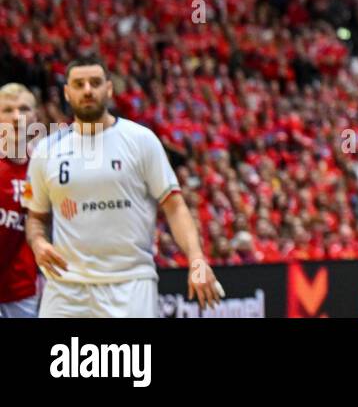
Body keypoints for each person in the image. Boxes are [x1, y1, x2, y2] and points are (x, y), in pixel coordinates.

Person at [23, 58, 223, 317]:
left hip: (130, 285)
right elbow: (35, 218)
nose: (87, 90)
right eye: (78, 84)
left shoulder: (141, 140)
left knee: (126, 360)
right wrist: (38, 243)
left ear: (109, 89)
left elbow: (175, 207)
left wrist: (196, 259)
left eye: (95, 83)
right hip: (66, 288)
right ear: (67, 92)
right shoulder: (46, 149)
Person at [0, 83, 39, 317]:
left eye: (24, 109)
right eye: (7, 110)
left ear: (34, 117)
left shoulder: (45, 168)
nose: (17, 117)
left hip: (20, 293)